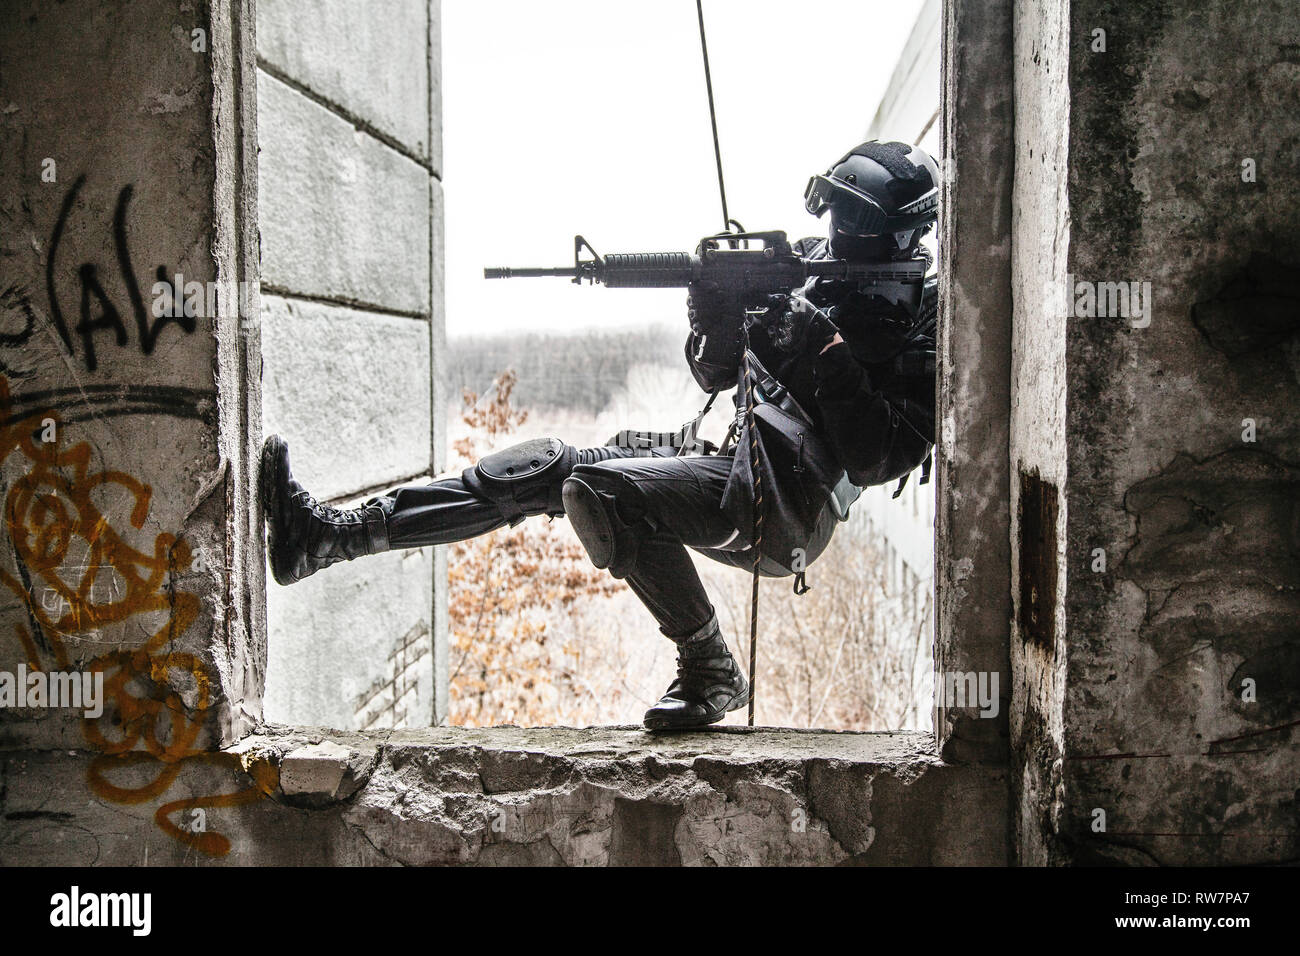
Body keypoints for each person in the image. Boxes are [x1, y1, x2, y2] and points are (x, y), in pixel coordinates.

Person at [260, 140, 940, 731]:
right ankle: (331, 539)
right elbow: (716, 372)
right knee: (543, 470)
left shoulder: (929, 321)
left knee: (601, 489)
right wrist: (714, 318)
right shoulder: (809, 268)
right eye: (835, 211)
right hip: (730, 458)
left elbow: (879, 455)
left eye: (858, 218)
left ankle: (709, 670)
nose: (839, 229)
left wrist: (822, 350)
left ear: (904, 234)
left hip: (788, 508)